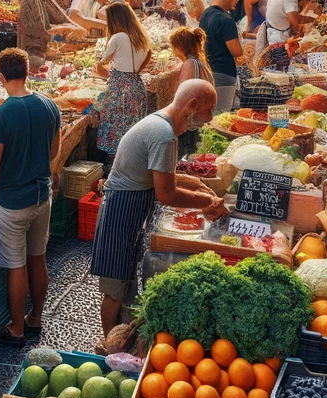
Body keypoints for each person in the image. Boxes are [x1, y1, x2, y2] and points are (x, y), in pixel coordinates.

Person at [89, 80, 227, 341]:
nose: (211, 117)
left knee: (126, 284)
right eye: (209, 110)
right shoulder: (163, 134)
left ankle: (124, 340)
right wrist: (205, 202)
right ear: (192, 105)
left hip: (129, 207)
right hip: (120, 212)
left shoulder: (162, 124)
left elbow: (160, 174)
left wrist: (194, 183)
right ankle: (110, 347)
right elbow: (166, 193)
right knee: (115, 290)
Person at [0, 49, 61, 345]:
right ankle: (35, 317)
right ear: (27, 72)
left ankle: (16, 328)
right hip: (42, 197)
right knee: (37, 258)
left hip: (13, 203)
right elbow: (54, 153)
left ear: (1, 78)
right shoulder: (49, 105)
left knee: (17, 266)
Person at [95, 2, 151, 157]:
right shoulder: (140, 37)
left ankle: (113, 169)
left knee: (116, 132)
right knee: (132, 131)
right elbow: (148, 56)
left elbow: (102, 63)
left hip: (119, 90)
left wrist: (102, 70)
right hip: (136, 86)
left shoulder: (118, 37)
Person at [200, 0, 244, 114]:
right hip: (223, 72)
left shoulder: (205, 14)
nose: (237, 1)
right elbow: (237, 51)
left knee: (210, 114)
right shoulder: (226, 20)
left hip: (208, 70)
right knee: (221, 115)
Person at [18, 0, 74, 70]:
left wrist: (68, 26)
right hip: (31, 52)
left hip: (39, 51)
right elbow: (37, 29)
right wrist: (57, 32)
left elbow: (56, 15)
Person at [169, 26, 214, 156]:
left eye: (173, 49)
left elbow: (182, 95)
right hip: (199, 120)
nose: (173, 53)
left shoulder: (190, 64)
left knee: (184, 158)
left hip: (190, 124)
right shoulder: (200, 63)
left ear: (180, 47)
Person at [262, 0, 318, 70]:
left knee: (280, 66)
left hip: (274, 32)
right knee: (281, 68)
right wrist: (298, 33)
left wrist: (311, 20)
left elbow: (295, 17)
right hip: (279, 37)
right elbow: (294, 20)